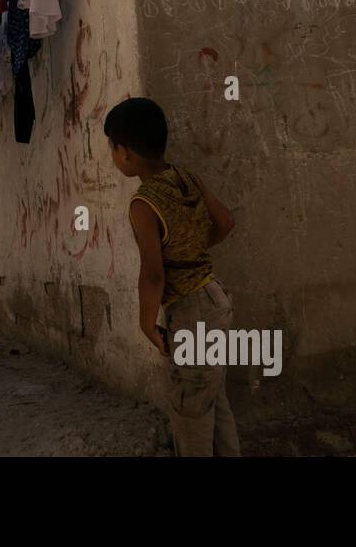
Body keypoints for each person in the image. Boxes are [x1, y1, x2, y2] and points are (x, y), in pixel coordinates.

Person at [104, 97, 240, 457]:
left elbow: (153, 275)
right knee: (212, 397)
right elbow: (225, 221)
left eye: (112, 149)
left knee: (190, 411)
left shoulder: (143, 204)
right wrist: (194, 249)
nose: (113, 157)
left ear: (125, 152)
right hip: (216, 297)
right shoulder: (186, 178)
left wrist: (146, 323)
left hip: (192, 310)